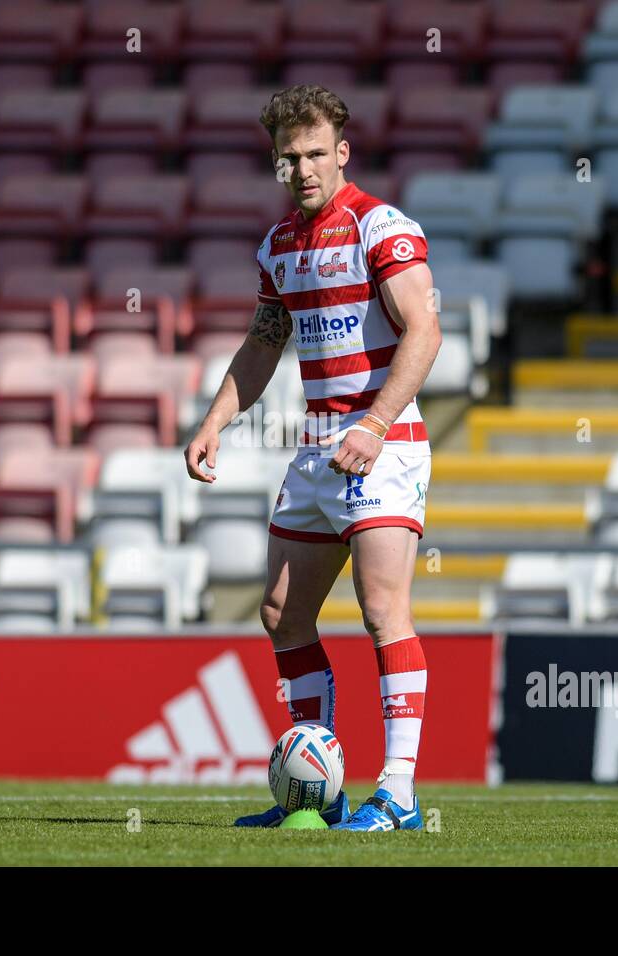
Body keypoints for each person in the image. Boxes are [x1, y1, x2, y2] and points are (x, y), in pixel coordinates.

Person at [184, 86, 442, 832]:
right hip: (316, 449)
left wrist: (377, 421)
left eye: (313, 154)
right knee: (279, 613)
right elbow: (265, 344)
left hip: (383, 445)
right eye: (287, 158)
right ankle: (317, 793)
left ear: (342, 152)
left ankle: (397, 794)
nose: (300, 169)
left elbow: (424, 331)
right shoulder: (280, 246)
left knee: (382, 609)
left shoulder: (379, 227)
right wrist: (215, 422)